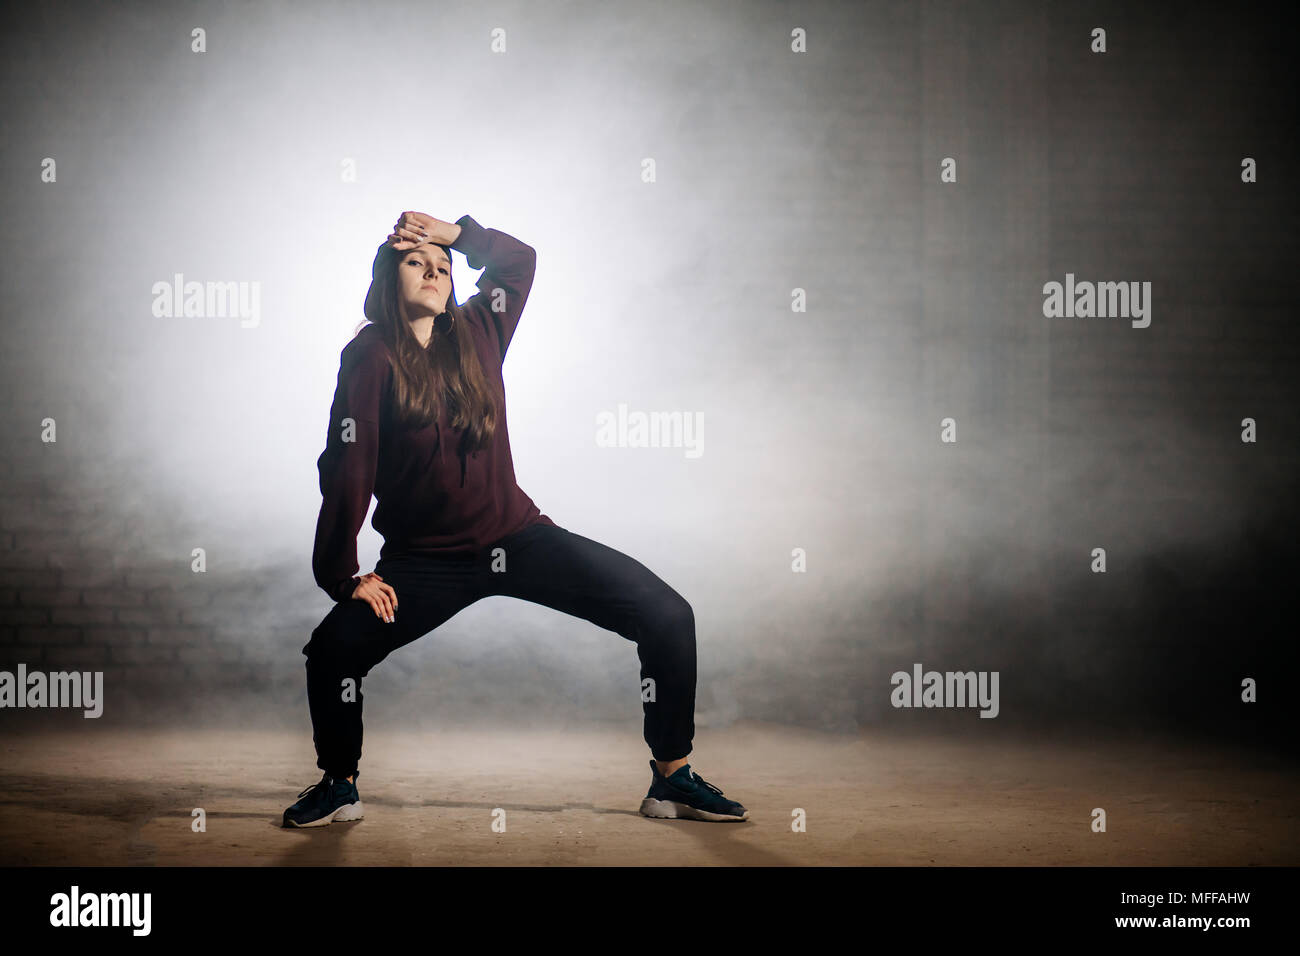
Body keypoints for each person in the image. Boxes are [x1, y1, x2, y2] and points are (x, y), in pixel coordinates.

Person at [282, 210, 748, 828]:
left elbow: (518, 262)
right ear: (387, 281)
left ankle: (672, 779)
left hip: (516, 536)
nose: (434, 273)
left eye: (443, 267)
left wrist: (455, 234)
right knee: (333, 651)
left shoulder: (478, 330)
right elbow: (348, 467)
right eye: (415, 263)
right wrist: (344, 575)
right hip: (428, 561)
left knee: (667, 615)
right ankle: (339, 785)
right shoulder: (370, 355)